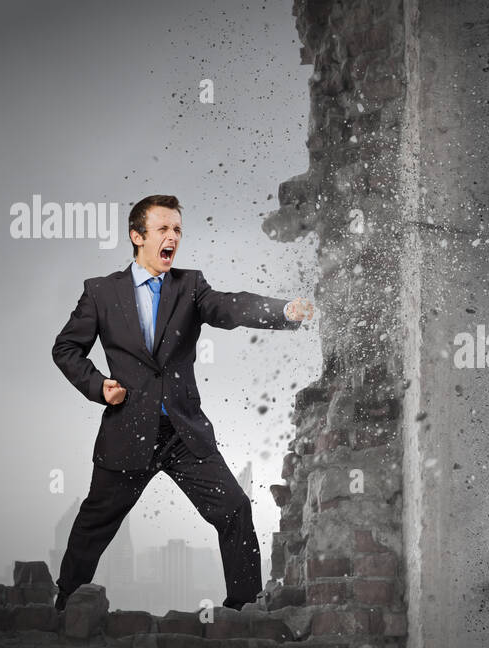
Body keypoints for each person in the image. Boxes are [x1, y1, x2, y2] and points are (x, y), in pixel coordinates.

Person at [50, 194, 314, 612]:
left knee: (234, 509)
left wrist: (283, 310)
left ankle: (243, 610)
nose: (172, 237)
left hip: (182, 432)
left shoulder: (190, 286)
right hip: (128, 432)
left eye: (177, 230)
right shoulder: (100, 293)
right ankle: (64, 604)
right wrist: (99, 386)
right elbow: (65, 349)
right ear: (137, 237)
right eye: (163, 229)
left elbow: (230, 306)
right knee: (93, 524)